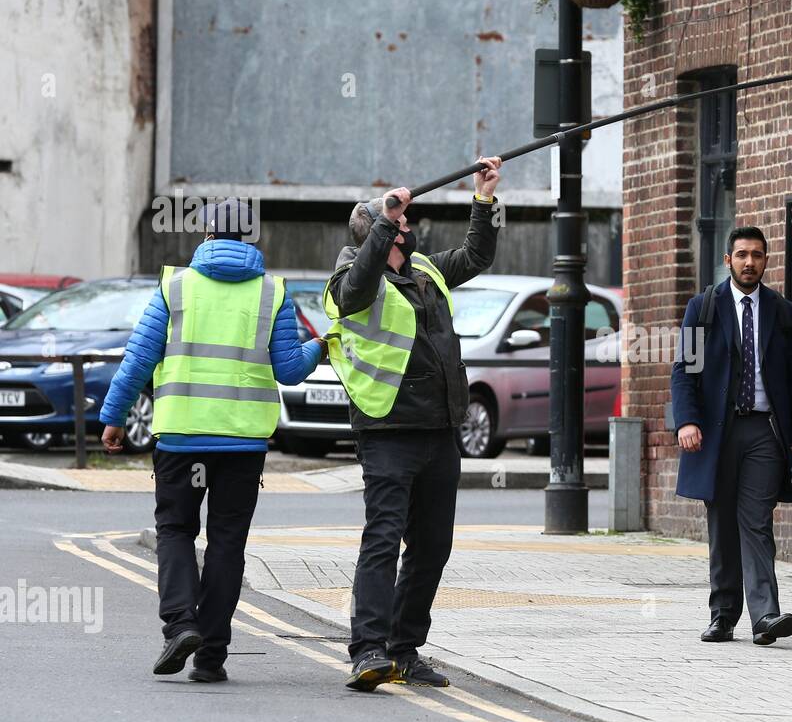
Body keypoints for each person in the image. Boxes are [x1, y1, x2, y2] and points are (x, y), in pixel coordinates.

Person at [100, 198, 325, 681]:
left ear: (205, 235)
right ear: (251, 238)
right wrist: (318, 345)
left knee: (177, 531)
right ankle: (211, 657)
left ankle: (181, 623)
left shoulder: (175, 287)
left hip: (182, 439)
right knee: (227, 544)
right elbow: (289, 370)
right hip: (242, 447)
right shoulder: (272, 292)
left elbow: (138, 360)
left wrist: (114, 417)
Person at [325, 157, 501, 691]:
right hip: (387, 431)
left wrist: (484, 199)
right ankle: (368, 649)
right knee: (382, 539)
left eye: (401, 220)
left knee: (432, 547)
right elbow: (357, 290)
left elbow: (476, 256)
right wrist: (384, 218)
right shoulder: (349, 279)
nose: (409, 225)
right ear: (381, 231)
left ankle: (404, 648)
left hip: (439, 429)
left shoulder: (424, 269)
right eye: (399, 222)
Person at [670, 226, 792, 646]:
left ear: (766, 260)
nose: (749, 262)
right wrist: (686, 421)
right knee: (722, 523)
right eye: (741, 255)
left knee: (756, 521)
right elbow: (685, 371)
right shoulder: (703, 308)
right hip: (716, 431)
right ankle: (723, 614)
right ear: (727, 259)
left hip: (764, 432)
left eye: (756, 255)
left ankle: (765, 615)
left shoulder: (782, 312)